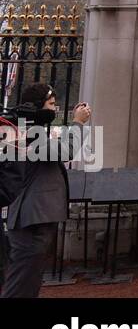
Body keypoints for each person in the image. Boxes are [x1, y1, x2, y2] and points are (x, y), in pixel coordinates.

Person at [1, 84, 91, 299]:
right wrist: (78, 123)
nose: (54, 109)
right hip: (31, 220)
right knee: (21, 286)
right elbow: (66, 151)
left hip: (33, 219)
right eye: (51, 104)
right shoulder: (28, 132)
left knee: (27, 282)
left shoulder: (28, 130)